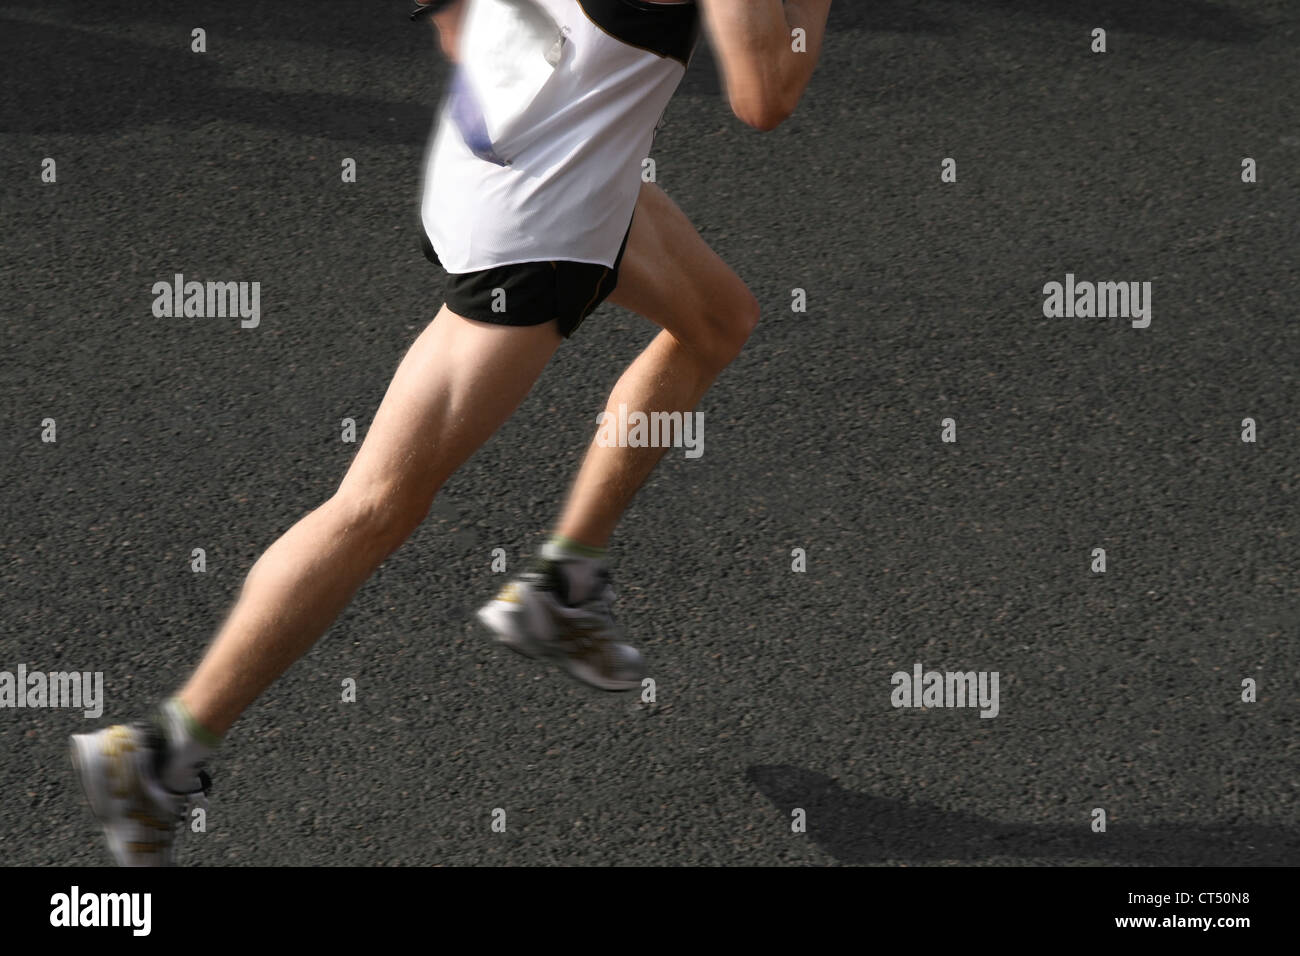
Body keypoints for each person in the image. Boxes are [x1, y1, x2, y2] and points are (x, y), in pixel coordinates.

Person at [71, 0, 832, 866]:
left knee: (718, 322)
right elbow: (765, 96)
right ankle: (160, 756)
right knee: (375, 507)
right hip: (536, 224)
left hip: (514, 149)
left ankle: (563, 589)